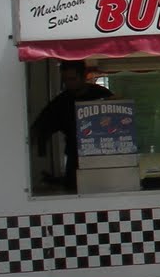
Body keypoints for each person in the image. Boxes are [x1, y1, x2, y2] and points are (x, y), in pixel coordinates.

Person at [30, 59, 112, 190]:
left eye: (72, 79)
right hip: (75, 159)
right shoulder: (61, 102)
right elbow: (41, 126)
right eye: (65, 80)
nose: (69, 83)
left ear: (83, 76)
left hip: (105, 156)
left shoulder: (102, 95)